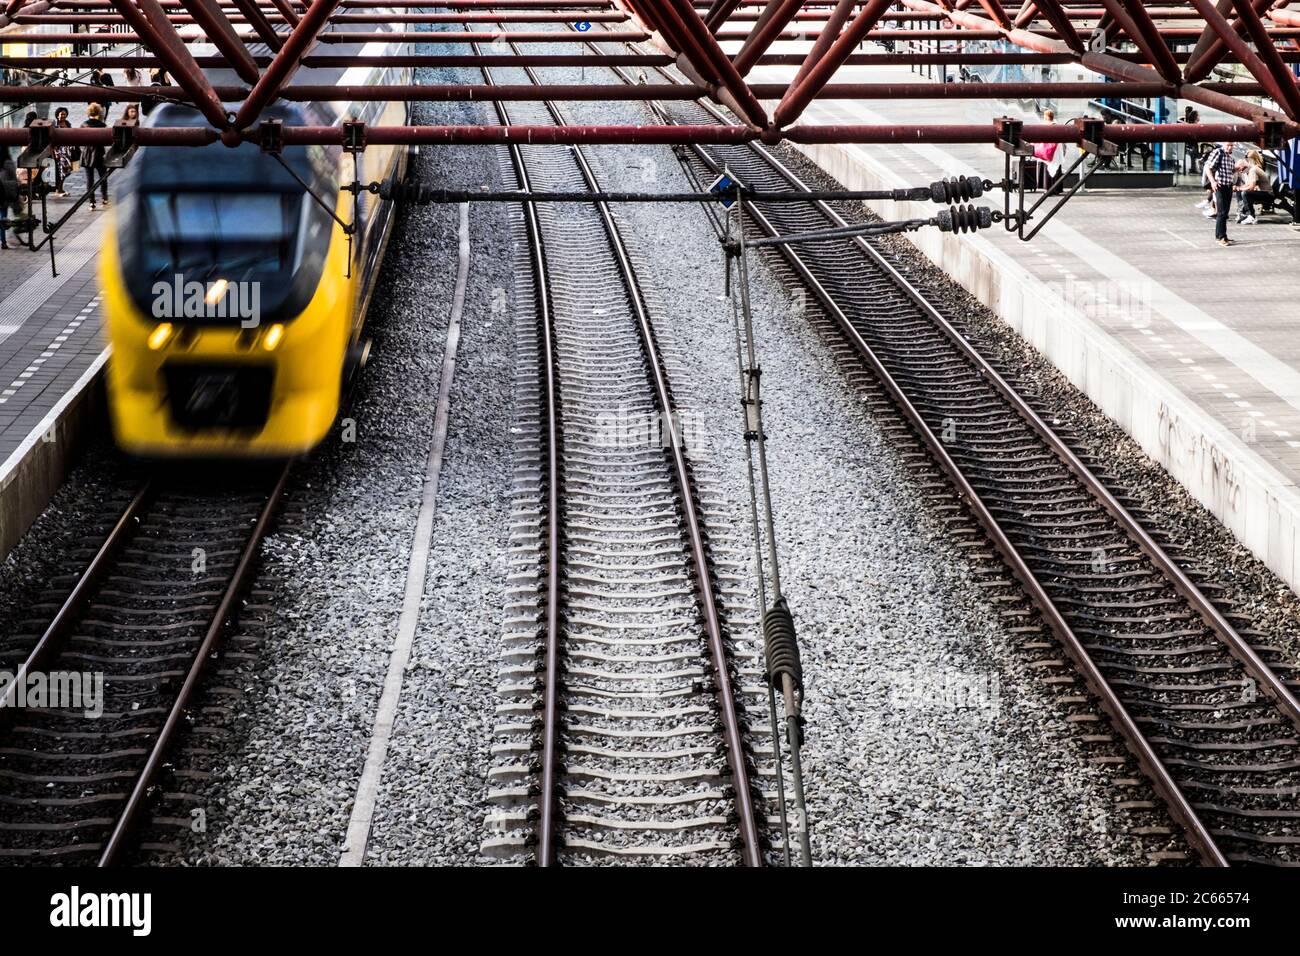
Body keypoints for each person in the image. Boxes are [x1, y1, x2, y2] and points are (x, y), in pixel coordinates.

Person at [1204, 140, 1237, 246]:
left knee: (1225, 213)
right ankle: (1220, 237)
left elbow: (1230, 171)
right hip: (1220, 186)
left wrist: (1237, 169)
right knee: (1221, 212)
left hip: (1228, 186)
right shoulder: (1218, 152)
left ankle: (1222, 235)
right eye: (1228, 145)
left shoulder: (1231, 158)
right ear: (1224, 145)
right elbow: (1208, 168)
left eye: (1232, 145)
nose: (1230, 147)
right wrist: (1213, 182)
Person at [80, 103, 109, 210]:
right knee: (103, 176)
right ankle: (104, 197)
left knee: (89, 179)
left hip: (87, 154)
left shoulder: (83, 124)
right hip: (99, 153)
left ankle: (91, 202)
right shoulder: (102, 125)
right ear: (99, 112)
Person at [1236, 150, 1274, 224]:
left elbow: (1251, 187)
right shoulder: (1250, 169)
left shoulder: (1253, 170)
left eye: (1240, 169)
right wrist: (1238, 188)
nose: (1240, 172)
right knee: (1241, 192)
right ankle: (1243, 214)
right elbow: (1248, 184)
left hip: (1268, 194)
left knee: (1245, 193)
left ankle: (1251, 216)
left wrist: (1240, 188)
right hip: (1264, 192)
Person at [1034, 108, 1064, 190]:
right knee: (1055, 166)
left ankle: (1047, 187)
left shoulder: (1043, 125)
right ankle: (1056, 188)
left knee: (1046, 167)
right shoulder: (1057, 125)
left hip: (1045, 150)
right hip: (1056, 150)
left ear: (1046, 117)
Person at [51, 106, 73, 198]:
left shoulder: (68, 123)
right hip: (58, 150)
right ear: (57, 115)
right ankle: (58, 189)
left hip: (67, 150)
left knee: (66, 170)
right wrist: (54, 151)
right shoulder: (54, 125)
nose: (63, 116)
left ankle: (60, 188)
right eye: (61, 114)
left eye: (64, 114)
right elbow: (52, 138)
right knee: (60, 170)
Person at [0, 146, 20, 250]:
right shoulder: (7, 162)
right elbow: (13, 177)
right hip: (4, 192)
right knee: (3, 216)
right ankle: (3, 241)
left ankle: (2, 240)